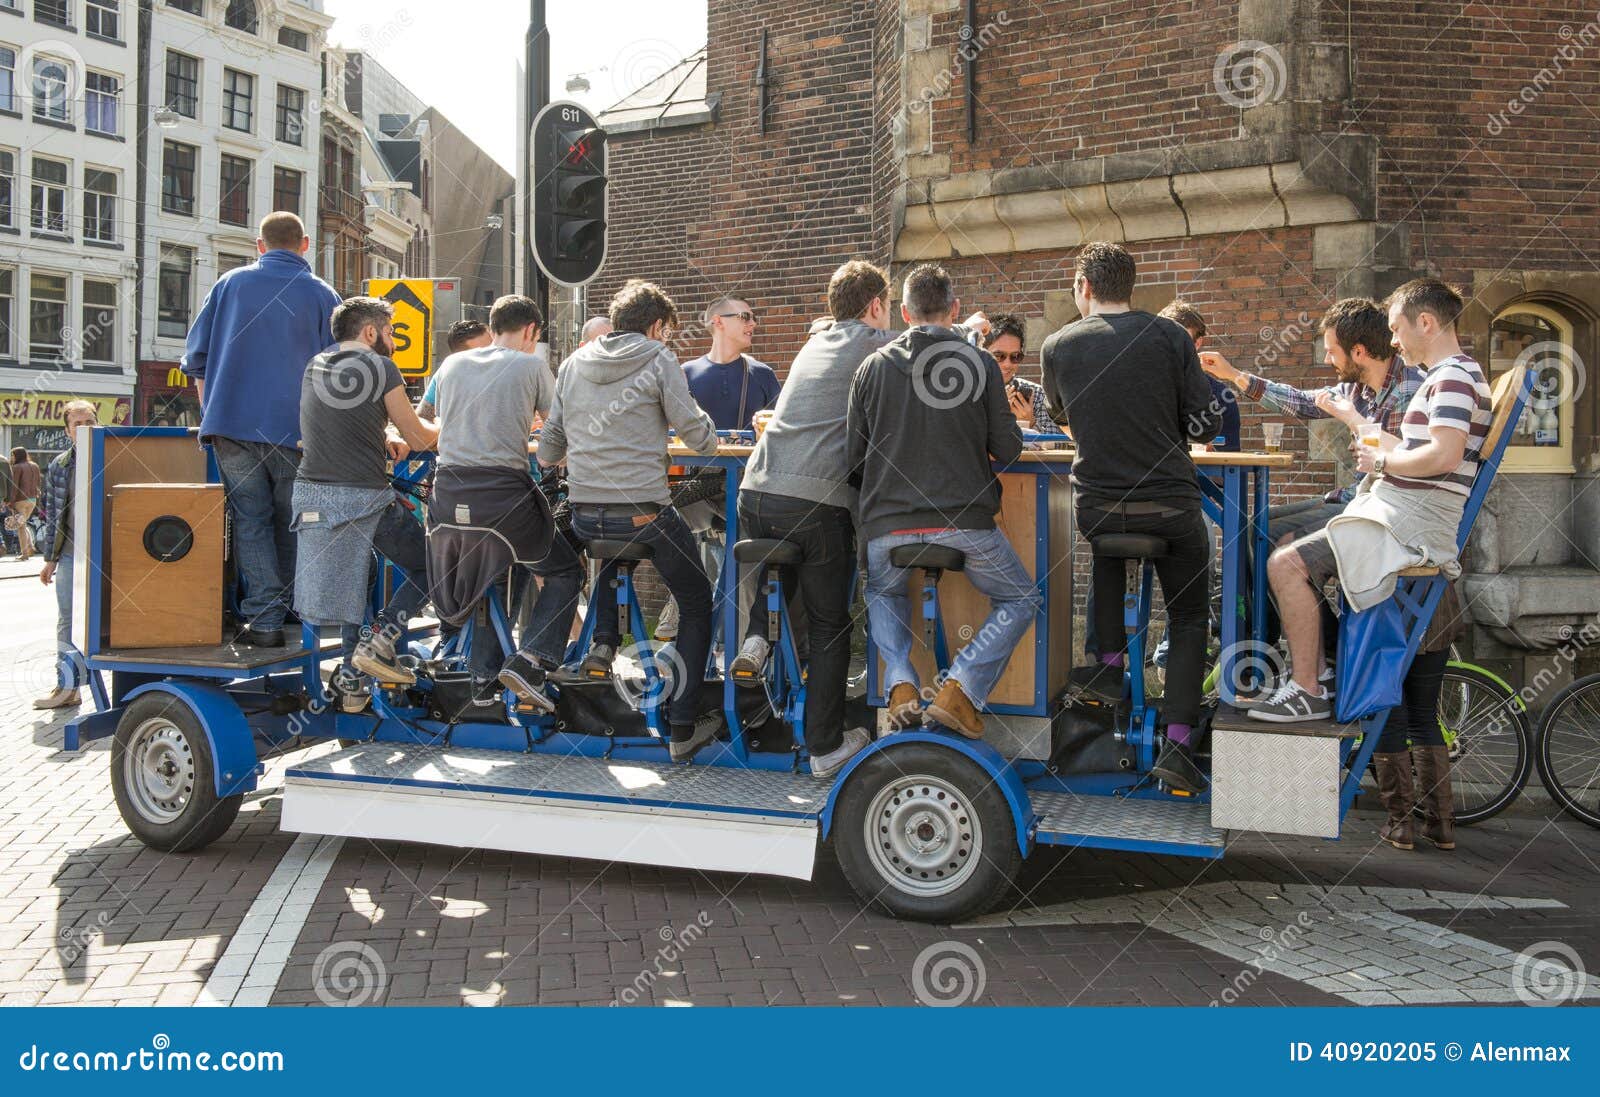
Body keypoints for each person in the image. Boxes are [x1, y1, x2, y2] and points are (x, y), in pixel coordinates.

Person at [1252, 279, 1490, 728]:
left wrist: (1380, 458)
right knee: (1277, 541)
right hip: (1395, 512)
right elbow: (1418, 447)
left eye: (1398, 329)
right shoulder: (1445, 378)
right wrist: (1382, 451)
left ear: (1426, 322)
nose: (1394, 341)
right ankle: (1313, 671)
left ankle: (1308, 689)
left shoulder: (1454, 377)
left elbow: (1445, 455)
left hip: (1407, 524)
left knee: (1284, 564)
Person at [1043, 242, 1220, 793]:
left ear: (1083, 287)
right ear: (1130, 286)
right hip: (1171, 505)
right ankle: (1180, 745)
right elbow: (1203, 427)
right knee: (1189, 618)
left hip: (1099, 508)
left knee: (1107, 549)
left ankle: (1111, 669)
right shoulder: (1170, 337)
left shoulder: (1058, 345)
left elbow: (1062, 417)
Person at [849, 263, 1040, 741]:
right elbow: (1010, 449)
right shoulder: (977, 364)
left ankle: (900, 685)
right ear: (954, 310)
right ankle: (959, 690)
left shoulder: (871, 366)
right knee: (1020, 598)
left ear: (906, 314)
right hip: (962, 520)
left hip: (886, 525)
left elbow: (853, 457)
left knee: (882, 591)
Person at [538, 280, 722, 761]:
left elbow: (549, 450)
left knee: (614, 555)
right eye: (669, 332)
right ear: (658, 326)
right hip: (642, 515)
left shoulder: (574, 363)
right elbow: (700, 440)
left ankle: (602, 648)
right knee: (699, 599)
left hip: (584, 517)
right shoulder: (658, 359)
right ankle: (683, 725)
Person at [732, 260, 897, 777]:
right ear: (875, 307)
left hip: (756, 492)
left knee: (786, 567)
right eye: (888, 308)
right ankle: (825, 747)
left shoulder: (814, 343)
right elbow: (934, 345)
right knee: (829, 625)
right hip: (816, 500)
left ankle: (758, 636)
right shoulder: (877, 346)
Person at [182, 211, 341, 647]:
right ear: (304, 244)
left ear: (260, 245)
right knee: (293, 521)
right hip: (297, 431)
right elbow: (338, 373)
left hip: (232, 425)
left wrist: (212, 412)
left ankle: (265, 619)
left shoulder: (229, 285)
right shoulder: (322, 295)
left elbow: (195, 359)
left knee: (250, 521)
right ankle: (292, 613)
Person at [427, 296, 584, 712]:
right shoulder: (532, 366)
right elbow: (556, 434)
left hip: (446, 498)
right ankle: (531, 660)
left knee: (493, 567)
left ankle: (483, 677)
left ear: (493, 325)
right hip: (503, 498)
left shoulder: (451, 365)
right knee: (566, 570)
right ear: (531, 331)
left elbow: (435, 420)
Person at [290, 297, 439, 712]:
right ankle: (382, 639)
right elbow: (421, 439)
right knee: (433, 563)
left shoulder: (314, 366)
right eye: (390, 332)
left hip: (313, 498)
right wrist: (452, 426)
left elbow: (341, 423)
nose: (392, 341)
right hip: (361, 498)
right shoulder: (380, 367)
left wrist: (380, 437)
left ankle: (353, 680)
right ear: (370, 332)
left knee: (357, 575)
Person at [36, 402, 101, 710]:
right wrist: (50, 558)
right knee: (67, 621)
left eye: (90, 421)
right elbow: (53, 517)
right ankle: (68, 687)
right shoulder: (60, 465)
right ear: (67, 430)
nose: (85, 427)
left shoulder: (113, 455)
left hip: (107, 556)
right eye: (78, 423)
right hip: (71, 555)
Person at [683, 297, 781, 432]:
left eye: (754, 318)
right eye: (745, 316)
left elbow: (782, 429)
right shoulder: (685, 373)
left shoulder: (763, 374)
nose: (753, 323)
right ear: (718, 322)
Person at [1159, 301, 1239, 450]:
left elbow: (1230, 464)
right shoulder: (1142, 388)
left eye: (1183, 341)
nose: (1174, 347)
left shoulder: (1221, 398)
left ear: (1197, 343)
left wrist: (1212, 450)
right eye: (1167, 340)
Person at [983, 314, 1054, 434]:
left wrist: (1031, 424)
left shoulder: (1036, 394)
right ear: (982, 353)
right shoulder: (969, 394)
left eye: (1015, 357)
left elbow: (1062, 445)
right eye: (999, 356)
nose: (1007, 364)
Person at [416, 320, 493, 422]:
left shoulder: (509, 369)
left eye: (493, 347)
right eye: (483, 352)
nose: (494, 354)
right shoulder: (446, 373)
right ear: (458, 357)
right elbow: (422, 417)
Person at [9, 447, 41, 561]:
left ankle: (24, 554)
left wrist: (11, 502)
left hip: (20, 500)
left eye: (13, 455)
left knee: (21, 527)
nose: (11, 458)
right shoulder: (35, 465)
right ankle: (30, 548)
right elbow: (38, 483)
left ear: (18, 455)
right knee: (24, 523)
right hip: (32, 500)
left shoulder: (17, 467)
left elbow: (14, 486)